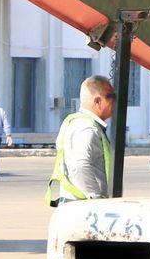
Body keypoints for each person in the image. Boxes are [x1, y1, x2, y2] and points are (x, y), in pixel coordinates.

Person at [47, 76, 114, 205]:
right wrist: (96, 199)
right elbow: (79, 165)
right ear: (98, 101)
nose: (115, 102)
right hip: (82, 206)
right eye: (111, 96)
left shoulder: (76, 122)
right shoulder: (86, 128)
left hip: (77, 204)